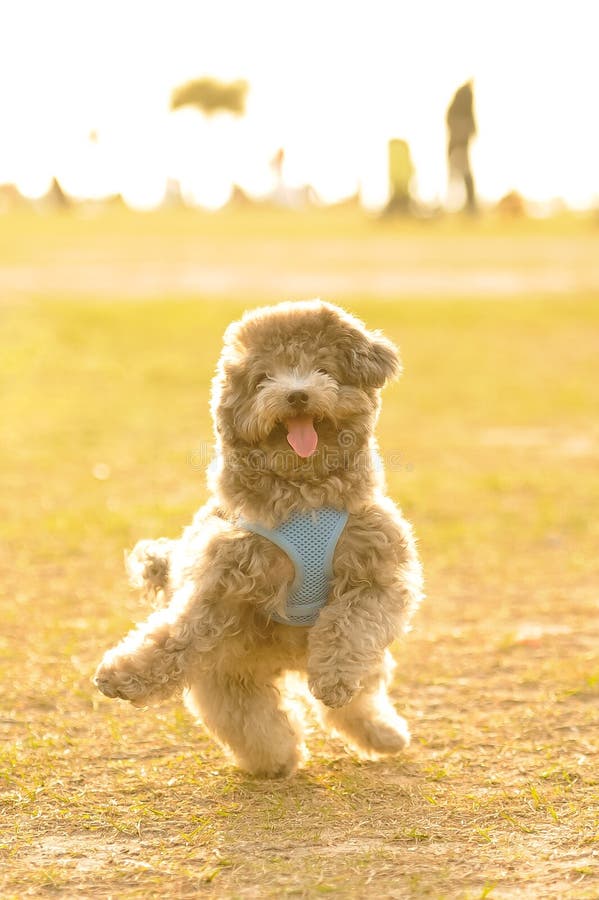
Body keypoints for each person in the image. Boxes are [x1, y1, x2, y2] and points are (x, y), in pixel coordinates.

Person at [446, 80, 477, 212]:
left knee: (459, 174)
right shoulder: (466, 94)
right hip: (459, 143)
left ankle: (464, 205)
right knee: (462, 174)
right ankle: (460, 205)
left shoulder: (460, 97)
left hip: (457, 142)